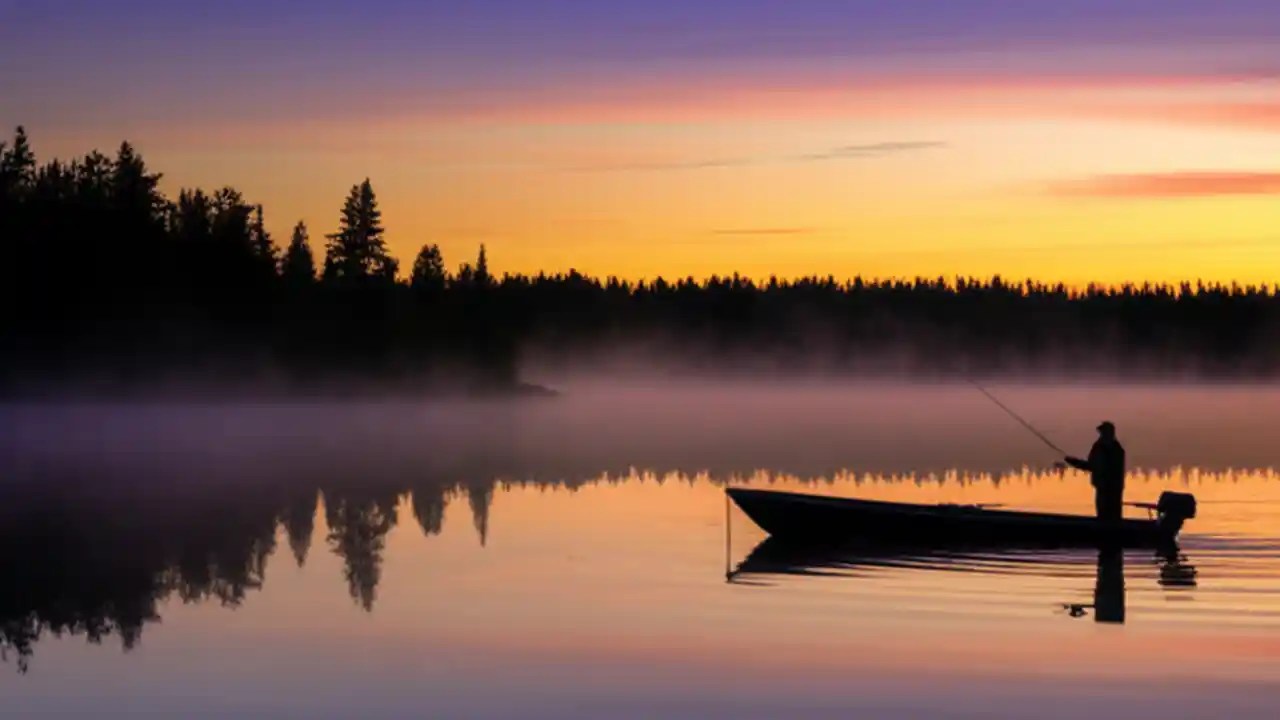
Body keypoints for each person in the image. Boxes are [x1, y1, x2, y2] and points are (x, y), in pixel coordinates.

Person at [1064, 421, 1126, 523]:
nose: (1101, 435)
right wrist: (1073, 462)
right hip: (1110, 489)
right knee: (1112, 518)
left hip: (1107, 490)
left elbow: (1091, 466)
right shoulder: (1117, 449)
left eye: (1103, 432)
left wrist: (1073, 462)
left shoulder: (1103, 448)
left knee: (1106, 518)